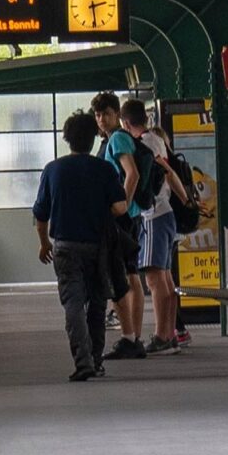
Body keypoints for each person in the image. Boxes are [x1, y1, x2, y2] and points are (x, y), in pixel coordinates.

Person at [34, 112, 129, 381]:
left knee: (73, 304)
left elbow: (40, 215)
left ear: (67, 138)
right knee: (98, 303)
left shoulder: (53, 170)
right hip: (98, 248)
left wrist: (44, 244)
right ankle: (96, 360)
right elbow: (120, 207)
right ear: (93, 138)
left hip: (64, 246)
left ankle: (83, 360)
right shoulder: (104, 169)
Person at [92, 92, 146, 360]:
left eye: (106, 114)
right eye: (98, 115)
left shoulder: (117, 139)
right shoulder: (113, 139)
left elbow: (131, 172)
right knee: (131, 274)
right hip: (128, 214)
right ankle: (133, 335)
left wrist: (122, 205)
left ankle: (132, 337)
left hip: (123, 216)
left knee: (124, 274)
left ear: (117, 115)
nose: (102, 119)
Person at [135, 119, 192, 355]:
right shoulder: (158, 140)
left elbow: (165, 174)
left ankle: (162, 336)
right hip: (166, 214)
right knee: (165, 279)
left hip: (154, 215)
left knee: (155, 280)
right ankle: (169, 334)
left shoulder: (144, 143)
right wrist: (186, 201)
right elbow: (170, 174)